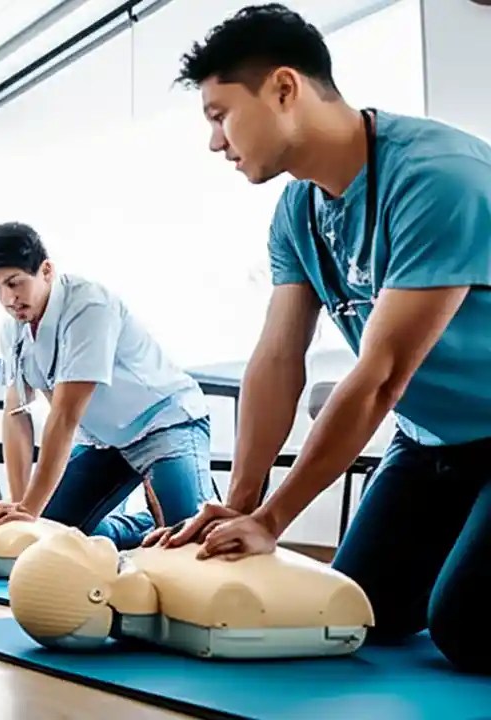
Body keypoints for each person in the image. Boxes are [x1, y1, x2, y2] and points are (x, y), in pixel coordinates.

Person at [149, 4, 491, 675]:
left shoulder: (437, 174)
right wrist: (240, 503)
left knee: (469, 627)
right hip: (432, 443)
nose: (215, 141)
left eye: (219, 114)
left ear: (284, 88)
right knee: (361, 610)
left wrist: (275, 521)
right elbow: (278, 358)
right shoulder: (296, 210)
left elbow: (382, 373)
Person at [0, 223, 215, 550]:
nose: (7, 299)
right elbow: (16, 414)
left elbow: (65, 415)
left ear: (46, 270)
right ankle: (143, 527)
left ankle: (183, 514)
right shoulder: (13, 329)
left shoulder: (89, 306)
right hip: (104, 443)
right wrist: (20, 506)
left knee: (189, 542)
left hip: (163, 424)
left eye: (15, 283)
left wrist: (29, 508)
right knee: (50, 535)